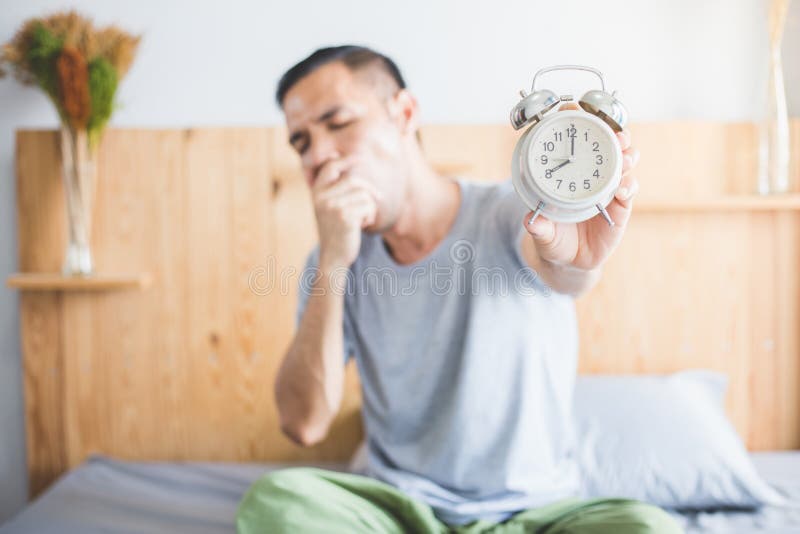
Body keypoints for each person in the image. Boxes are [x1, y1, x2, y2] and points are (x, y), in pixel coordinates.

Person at [237, 45, 681, 533]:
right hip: (404, 514)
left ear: (404, 113)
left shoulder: (510, 211)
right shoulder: (329, 265)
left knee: (646, 527)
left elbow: (564, 268)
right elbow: (304, 424)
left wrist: (578, 262)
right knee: (276, 502)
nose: (318, 155)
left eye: (338, 122)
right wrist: (334, 260)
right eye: (301, 143)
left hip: (534, 515)